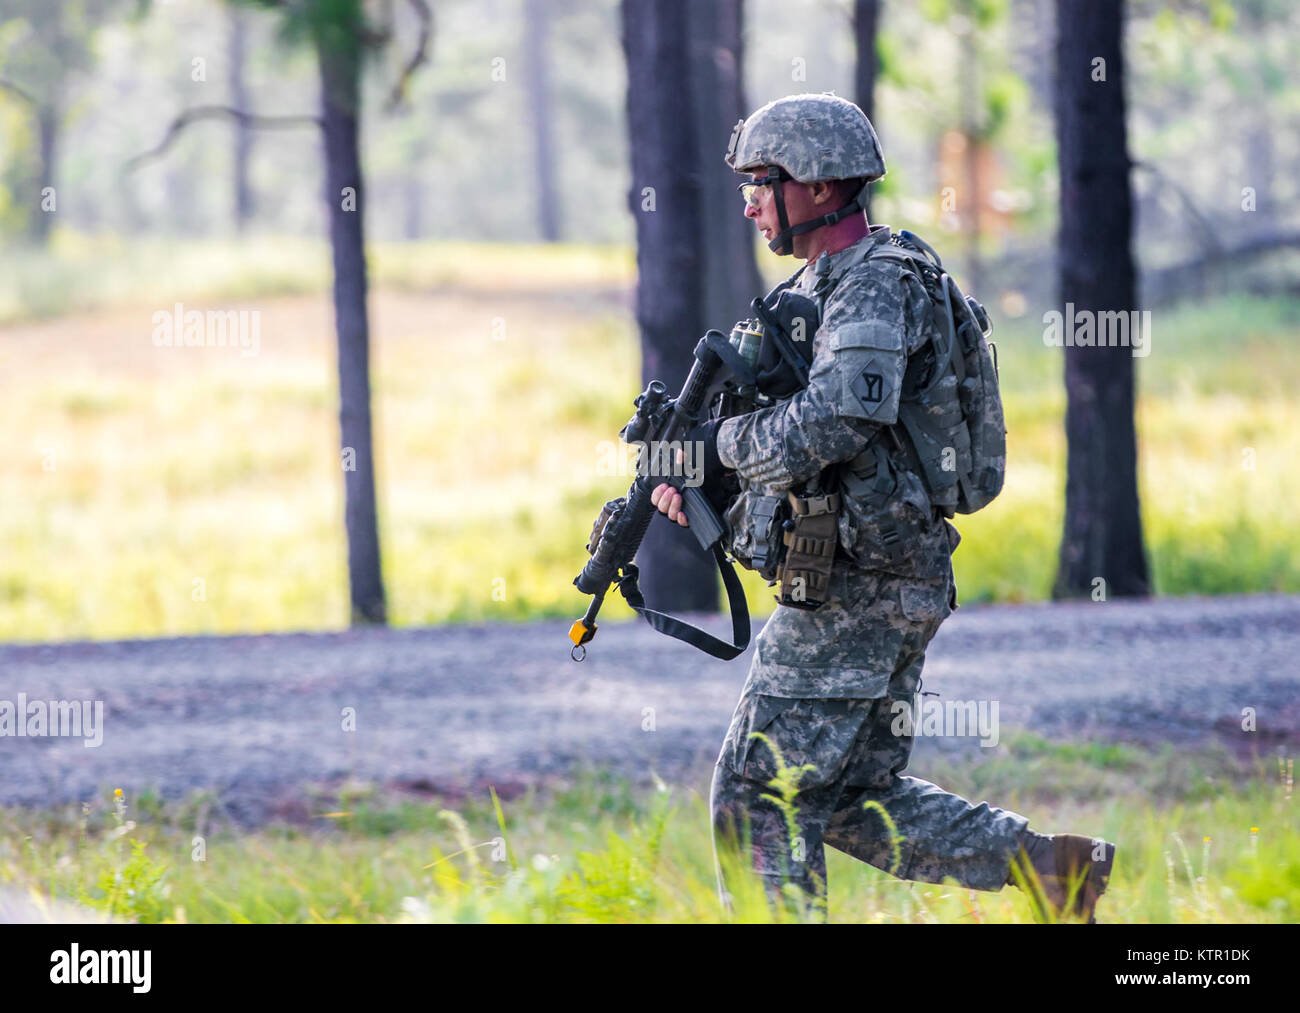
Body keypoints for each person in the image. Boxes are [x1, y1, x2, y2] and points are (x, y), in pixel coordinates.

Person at [649, 93, 1116, 923]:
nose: (750, 200)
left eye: (764, 180)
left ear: (822, 189)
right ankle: (1051, 869)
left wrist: (717, 449)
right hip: (877, 574)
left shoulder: (874, 283)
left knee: (757, 791)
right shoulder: (823, 287)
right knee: (844, 794)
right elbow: (830, 450)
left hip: (862, 583)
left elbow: (838, 418)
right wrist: (708, 485)